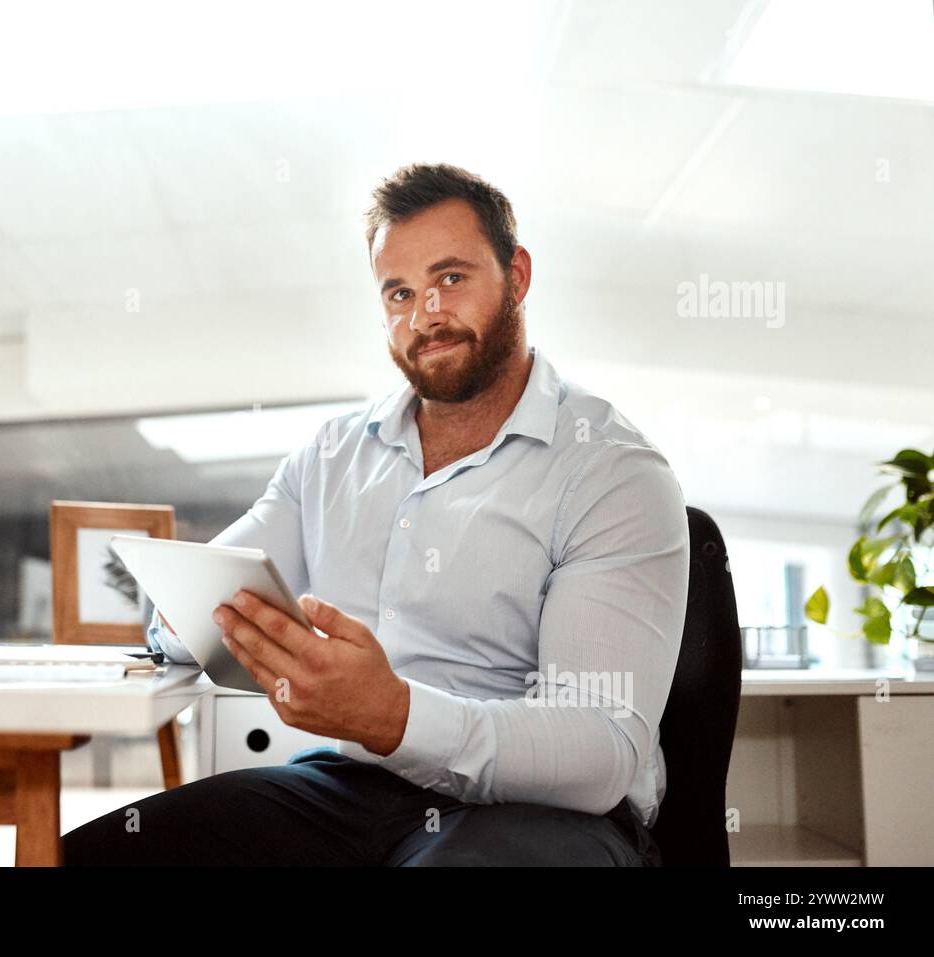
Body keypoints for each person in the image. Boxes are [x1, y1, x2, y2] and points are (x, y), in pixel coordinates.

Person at [61, 163, 687, 866]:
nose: (426, 314)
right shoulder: (331, 456)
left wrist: (395, 713)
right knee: (88, 859)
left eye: (451, 278)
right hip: (354, 787)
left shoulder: (610, 469)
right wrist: (189, 621)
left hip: (544, 814)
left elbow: (600, 749)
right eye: (400, 291)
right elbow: (199, 602)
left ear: (517, 275)